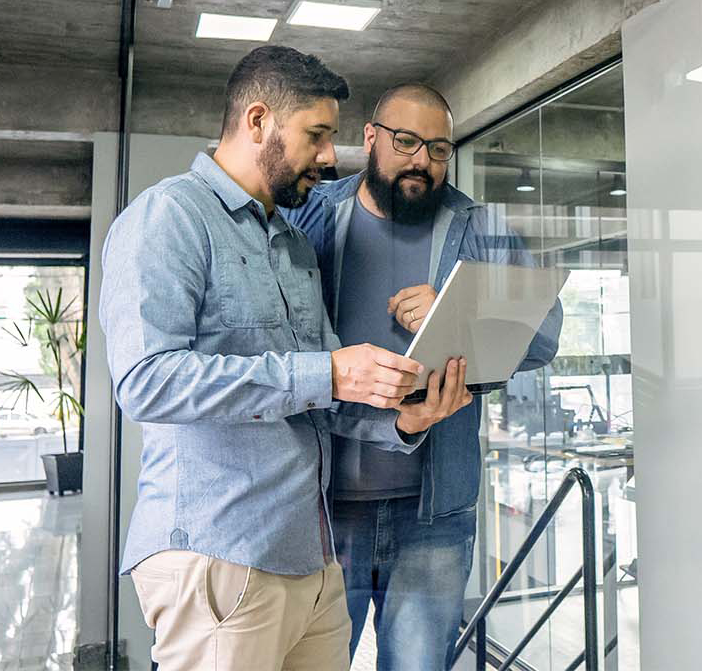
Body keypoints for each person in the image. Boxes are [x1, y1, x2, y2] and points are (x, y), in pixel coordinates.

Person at [99, 48, 472, 671]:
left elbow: (322, 396)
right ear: (257, 121)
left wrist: (405, 421)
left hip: (313, 560)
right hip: (221, 557)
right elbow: (146, 383)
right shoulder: (169, 217)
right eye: (316, 135)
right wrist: (327, 372)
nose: (330, 157)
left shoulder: (294, 243)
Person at [284, 83, 563, 670]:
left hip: (434, 513)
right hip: (323, 506)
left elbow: (541, 336)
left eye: (439, 149)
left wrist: (455, 313)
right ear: (370, 139)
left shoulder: (478, 226)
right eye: (407, 141)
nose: (423, 161)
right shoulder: (310, 212)